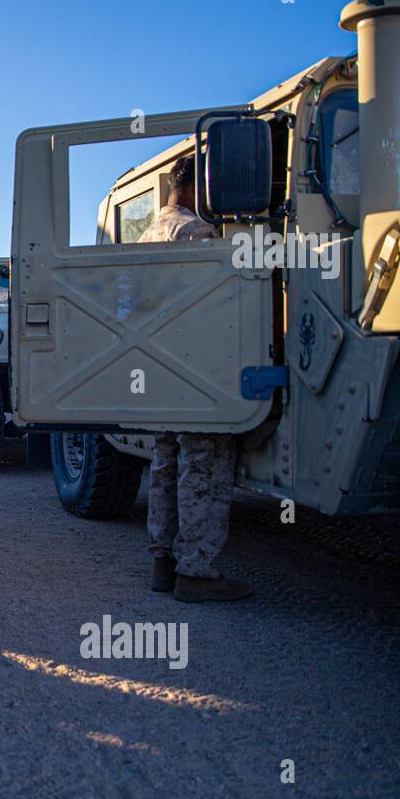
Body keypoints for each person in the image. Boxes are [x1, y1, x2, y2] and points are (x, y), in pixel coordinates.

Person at [139, 156, 249, 602]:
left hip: (159, 364)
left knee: (165, 462)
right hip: (199, 367)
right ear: (195, 186)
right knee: (203, 464)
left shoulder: (147, 234)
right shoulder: (196, 232)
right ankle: (197, 571)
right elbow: (221, 307)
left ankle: (163, 561)